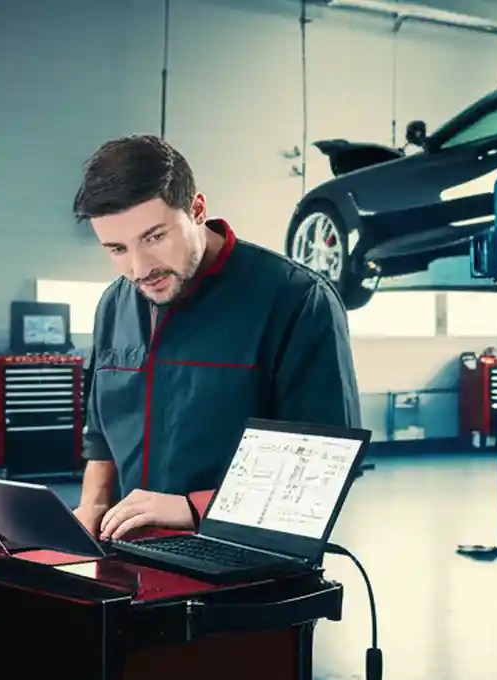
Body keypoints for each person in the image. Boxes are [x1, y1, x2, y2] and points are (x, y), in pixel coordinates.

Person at [70, 134, 361, 541]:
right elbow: (101, 434)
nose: (139, 268)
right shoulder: (114, 304)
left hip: (250, 564)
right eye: (117, 248)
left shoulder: (297, 301)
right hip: (131, 554)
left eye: (155, 237)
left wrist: (193, 507)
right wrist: (94, 504)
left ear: (197, 210)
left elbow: (322, 470)